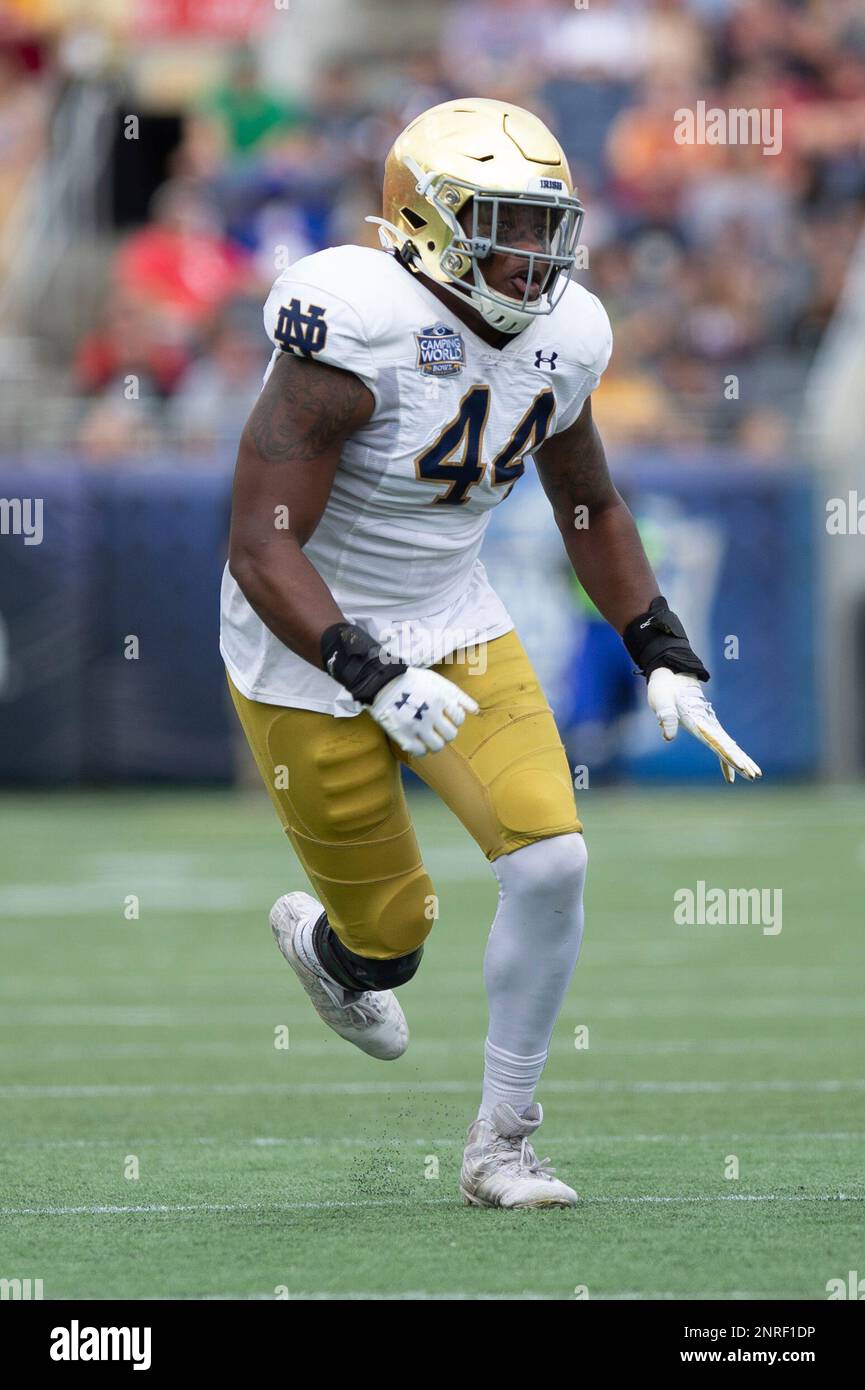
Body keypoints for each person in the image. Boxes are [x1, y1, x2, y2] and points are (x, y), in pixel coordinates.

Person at [220, 98, 760, 1210]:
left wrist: (663, 647)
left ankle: (502, 1141)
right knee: (393, 938)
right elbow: (258, 547)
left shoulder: (565, 332)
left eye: (541, 223)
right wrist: (369, 670)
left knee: (553, 860)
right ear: (424, 222)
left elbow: (591, 505)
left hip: (455, 619)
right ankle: (338, 955)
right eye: (501, 223)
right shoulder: (351, 322)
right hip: (306, 640)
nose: (531, 254)